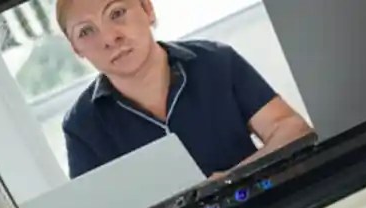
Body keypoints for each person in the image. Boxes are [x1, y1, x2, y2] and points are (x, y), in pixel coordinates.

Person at [56, 0, 314, 180]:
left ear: (147, 9)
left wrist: (231, 180)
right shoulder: (80, 126)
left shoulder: (216, 61)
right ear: (76, 49)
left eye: (117, 13)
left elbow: (293, 130)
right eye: (86, 31)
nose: (110, 38)